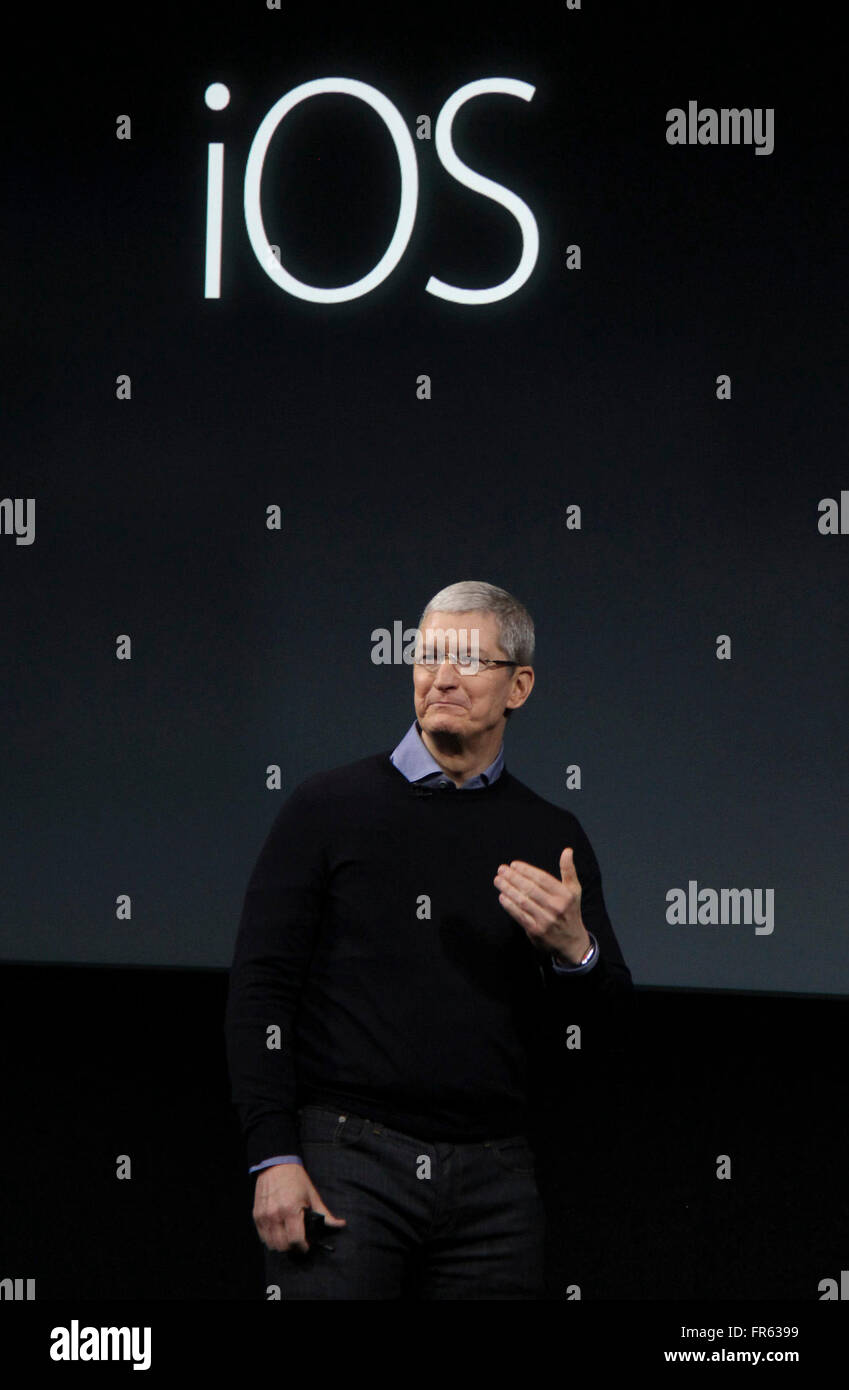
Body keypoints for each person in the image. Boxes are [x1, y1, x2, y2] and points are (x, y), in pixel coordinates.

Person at [224, 580, 632, 1299]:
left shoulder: (551, 836)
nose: (440, 678)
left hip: (495, 1183)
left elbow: (604, 1031)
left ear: (519, 686)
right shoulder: (326, 808)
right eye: (426, 657)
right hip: (342, 1162)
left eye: (467, 661)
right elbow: (261, 990)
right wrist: (272, 1155)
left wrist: (575, 951)